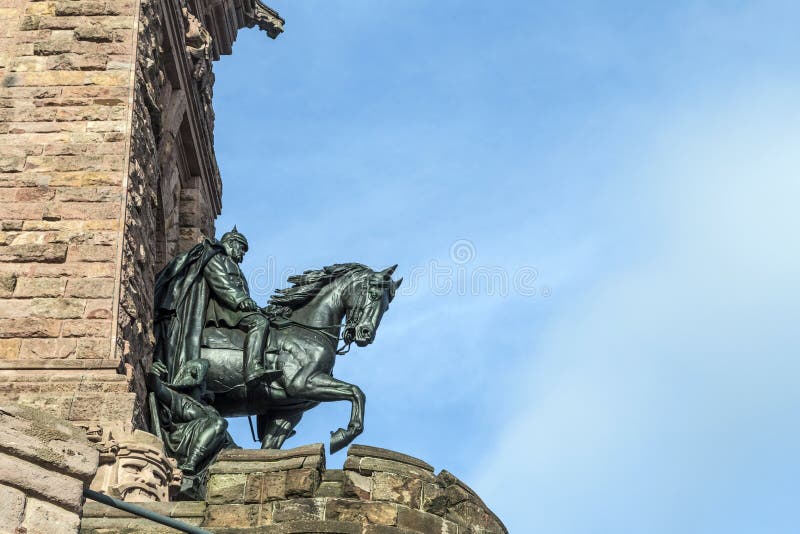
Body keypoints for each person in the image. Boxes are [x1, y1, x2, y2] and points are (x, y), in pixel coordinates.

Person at [153, 226, 270, 384]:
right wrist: (241, 300)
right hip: (222, 309)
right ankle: (253, 369)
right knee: (259, 322)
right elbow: (221, 281)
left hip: (232, 307)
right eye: (241, 249)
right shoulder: (215, 256)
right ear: (230, 243)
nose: (242, 255)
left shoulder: (233, 265)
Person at [146, 360, 229, 475]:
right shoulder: (179, 398)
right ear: (198, 383)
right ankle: (191, 462)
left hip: (205, 443)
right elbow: (158, 388)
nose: (206, 384)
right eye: (204, 380)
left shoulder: (210, 410)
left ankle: (194, 462)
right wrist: (153, 375)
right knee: (220, 423)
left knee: (221, 424)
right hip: (182, 441)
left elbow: (225, 438)